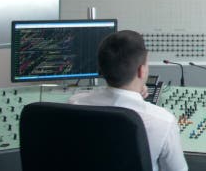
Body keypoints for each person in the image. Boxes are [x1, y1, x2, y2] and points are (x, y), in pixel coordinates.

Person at [69, 30, 188, 171]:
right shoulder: (163, 122)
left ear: (101, 68)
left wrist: (134, 88)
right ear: (141, 71)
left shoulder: (75, 104)